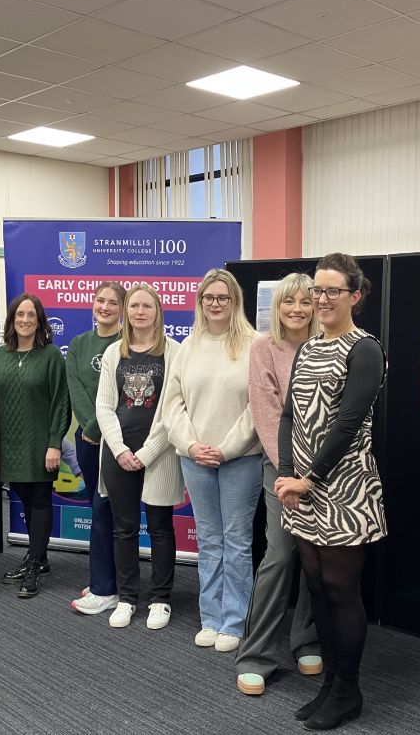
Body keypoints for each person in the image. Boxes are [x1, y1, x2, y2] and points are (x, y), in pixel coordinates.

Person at [275, 253, 386, 731]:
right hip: (300, 489)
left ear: (355, 297)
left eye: (331, 291)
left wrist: (309, 478)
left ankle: (348, 690)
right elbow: (287, 416)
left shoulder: (365, 349)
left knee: (342, 590)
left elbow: (347, 424)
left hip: (344, 489)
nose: (320, 300)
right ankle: (329, 683)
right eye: (316, 291)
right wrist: (285, 475)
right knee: (316, 586)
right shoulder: (307, 347)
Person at [163, 269, 262, 653]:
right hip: (196, 459)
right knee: (209, 539)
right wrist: (191, 445)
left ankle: (235, 621)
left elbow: (260, 407)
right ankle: (212, 617)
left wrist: (228, 447)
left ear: (234, 301)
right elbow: (173, 406)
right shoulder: (188, 347)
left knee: (237, 541)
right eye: (209, 298)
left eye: (223, 297)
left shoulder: (256, 345)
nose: (216, 304)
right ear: (200, 302)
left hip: (240, 460)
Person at [236, 273, 322, 696]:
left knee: (317, 556)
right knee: (281, 553)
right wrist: (288, 471)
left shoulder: (328, 347)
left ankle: (305, 639)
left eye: (305, 302)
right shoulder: (263, 349)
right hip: (282, 468)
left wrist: (318, 469)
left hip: (324, 471)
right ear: (278, 306)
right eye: (289, 302)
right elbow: (267, 414)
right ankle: (256, 655)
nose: (298, 310)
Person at [95, 285, 182, 629]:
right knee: (124, 529)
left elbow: (173, 408)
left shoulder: (173, 352)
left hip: (158, 454)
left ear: (158, 311)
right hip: (118, 454)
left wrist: (146, 453)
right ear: (126, 312)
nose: (140, 311)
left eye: (147, 305)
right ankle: (128, 598)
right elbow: (104, 405)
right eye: (134, 305)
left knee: (160, 528)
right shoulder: (115, 352)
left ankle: (160, 599)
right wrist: (119, 449)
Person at [0, 293, 70, 598]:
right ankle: (42, 555)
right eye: (19, 315)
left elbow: (61, 401)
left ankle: (34, 563)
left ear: (39, 321)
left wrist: (54, 444)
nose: (24, 320)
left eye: (30, 316)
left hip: (39, 443)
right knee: (22, 496)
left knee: (39, 499)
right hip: (8, 442)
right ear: (11, 320)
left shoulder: (50, 356)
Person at [67, 281, 126, 616]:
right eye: (100, 300)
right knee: (98, 507)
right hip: (88, 443)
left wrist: (96, 429)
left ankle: (106, 589)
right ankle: (106, 579)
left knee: (107, 510)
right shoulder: (79, 343)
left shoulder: (128, 344)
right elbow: (75, 388)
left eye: (112, 303)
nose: (104, 307)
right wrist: (89, 430)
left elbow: (122, 397)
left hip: (115, 442)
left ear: (122, 309)